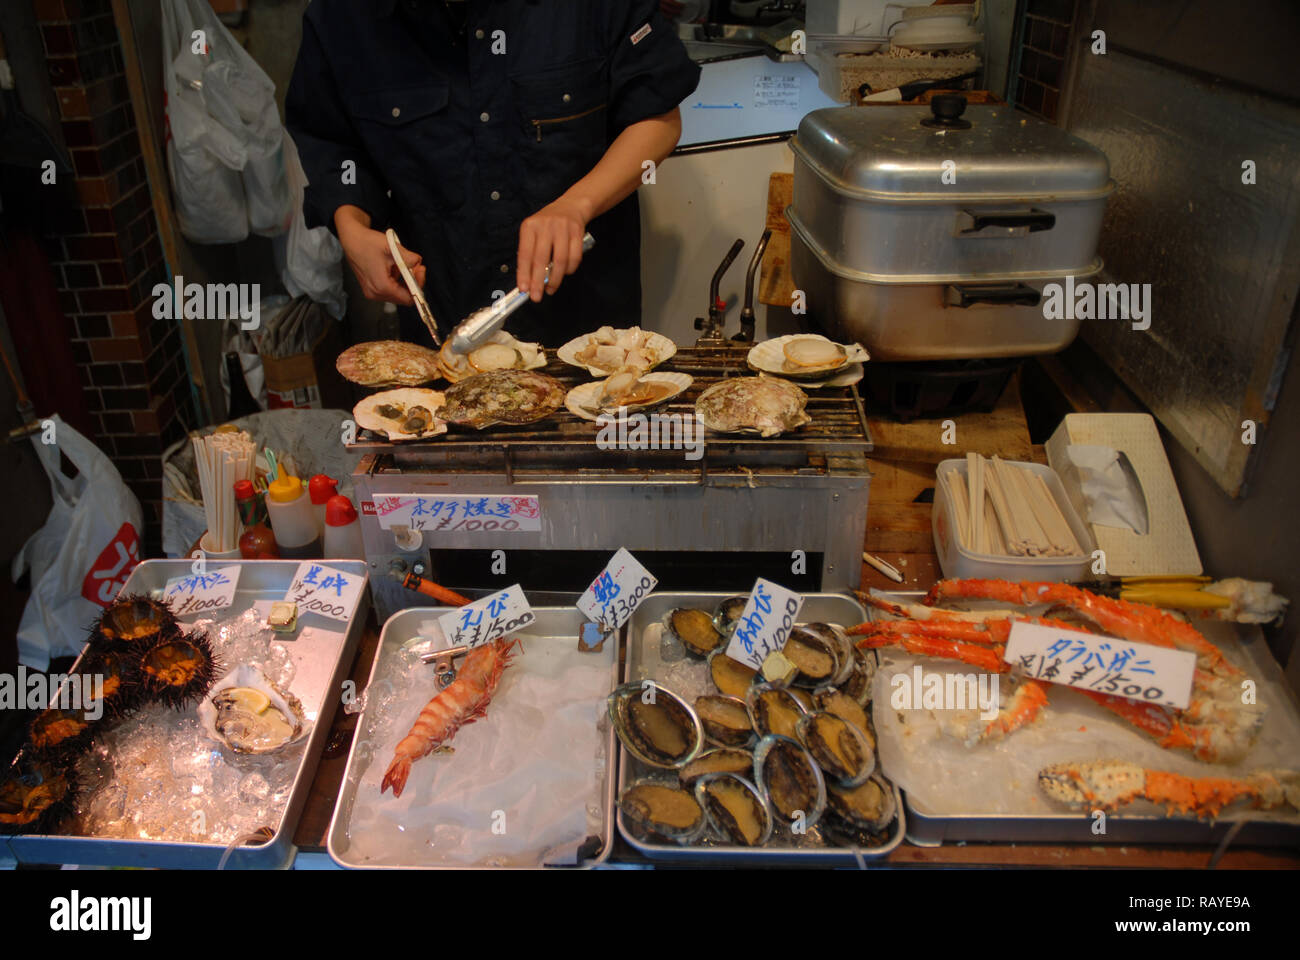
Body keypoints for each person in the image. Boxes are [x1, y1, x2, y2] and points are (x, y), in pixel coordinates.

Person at [286, 1, 701, 348]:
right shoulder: (343, 14)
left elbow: (657, 117)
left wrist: (578, 203)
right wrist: (352, 227)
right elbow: (333, 141)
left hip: (587, 336)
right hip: (447, 327)